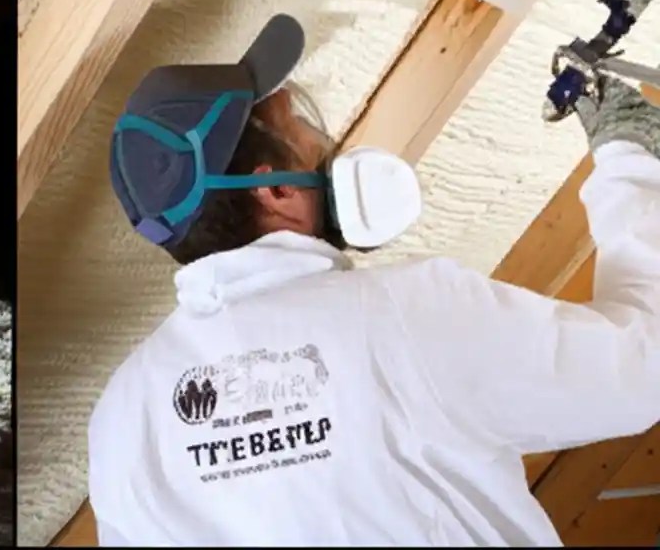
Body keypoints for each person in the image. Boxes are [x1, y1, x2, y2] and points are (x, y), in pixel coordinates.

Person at [89, 34, 660, 544]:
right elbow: (641, 369)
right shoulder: (408, 314)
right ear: (274, 193)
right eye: (303, 132)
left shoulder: (122, 419)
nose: (325, 144)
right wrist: (629, 159)